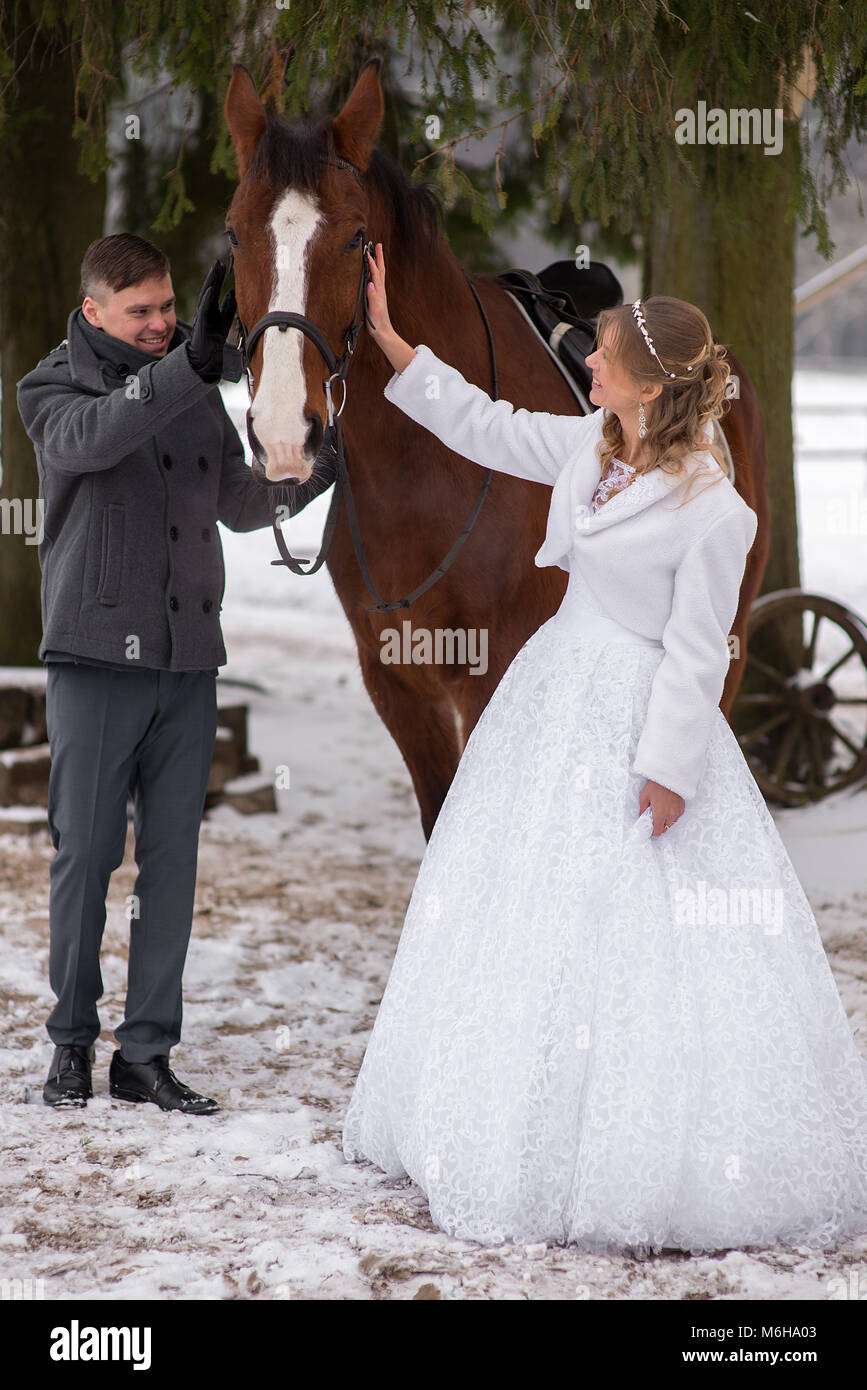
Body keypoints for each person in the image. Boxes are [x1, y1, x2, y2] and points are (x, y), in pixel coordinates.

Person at [341, 243, 867, 1254]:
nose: (585, 365)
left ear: (646, 383)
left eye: (604, 359)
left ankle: (639, 1152)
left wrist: (669, 769)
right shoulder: (592, 445)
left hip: (636, 715)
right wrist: (398, 347)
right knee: (522, 906)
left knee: (641, 932)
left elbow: (696, 650)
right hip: (552, 693)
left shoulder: (715, 511)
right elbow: (490, 427)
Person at [16, 233, 335, 1114]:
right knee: (86, 858)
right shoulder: (51, 388)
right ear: (94, 311)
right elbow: (97, 435)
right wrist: (192, 365)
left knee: (172, 863)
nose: (161, 324)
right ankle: (71, 1044)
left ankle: (145, 1053)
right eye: (141, 312)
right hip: (94, 662)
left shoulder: (193, 390)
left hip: (189, 661)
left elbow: (235, 501)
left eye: (168, 307)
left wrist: (312, 468)